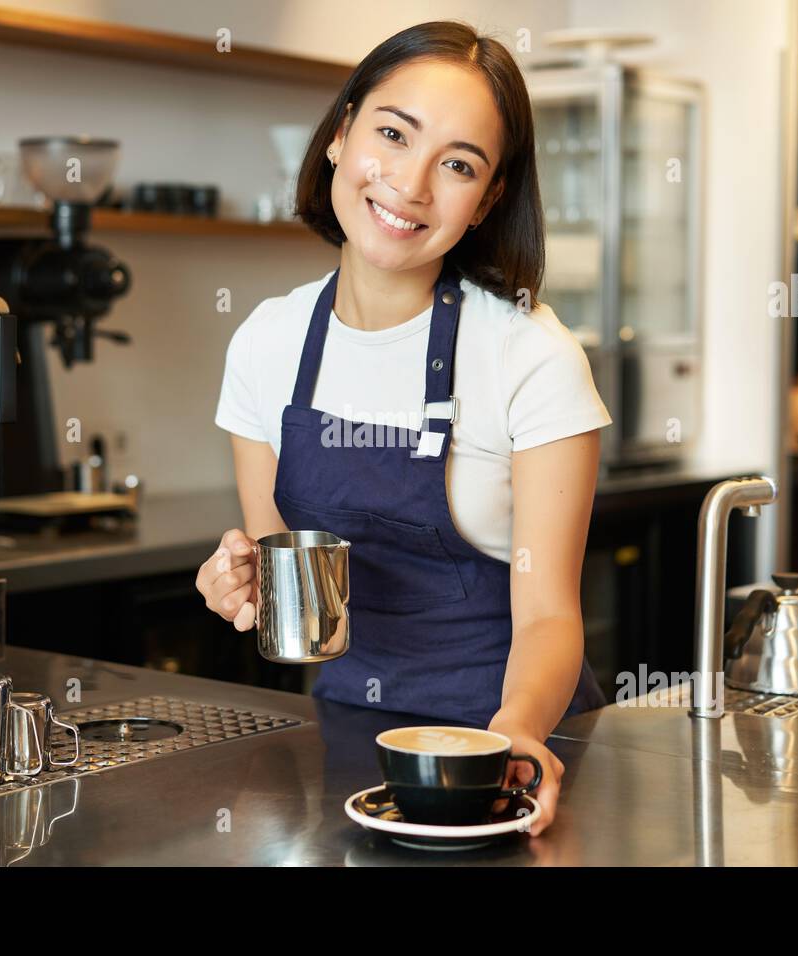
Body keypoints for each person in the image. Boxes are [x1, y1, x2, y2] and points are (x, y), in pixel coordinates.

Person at [198, 21, 612, 834]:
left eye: (458, 164)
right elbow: (293, 597)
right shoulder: (265, 342)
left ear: (488, 199)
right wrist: (241, 585)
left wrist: (517, 730)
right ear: (340, 136)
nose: (411, 185)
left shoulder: (530, 353)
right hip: (347, 738)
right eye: (392, 134)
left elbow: (551, 616)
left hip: (509, 748)